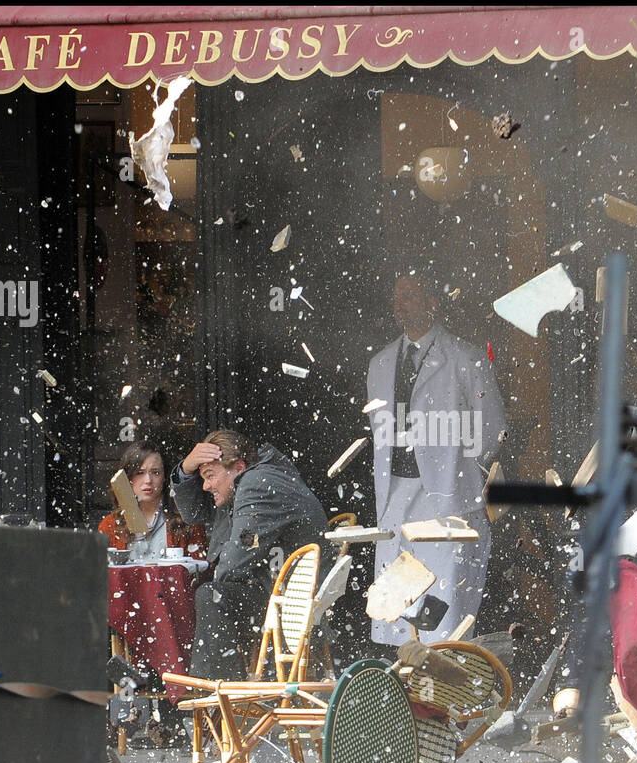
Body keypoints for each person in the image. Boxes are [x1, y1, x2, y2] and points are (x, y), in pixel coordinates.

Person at [366, 272, 506, 646]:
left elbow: (492, 430)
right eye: (397, 297)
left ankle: (444, 686)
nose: (401, 305)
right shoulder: (380, 364)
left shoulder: (465, 358)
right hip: (396, 492)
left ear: (433, 301)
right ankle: (407, 684)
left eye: (411, 295)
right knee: (398, 600)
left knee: (446, 600)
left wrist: (456, 467)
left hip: (448, 494)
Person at [171, 429, 331, 680]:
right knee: (211, 595)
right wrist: (185, 469)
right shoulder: (252, 478)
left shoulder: (258, 484)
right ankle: (220, 687)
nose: (206, 486)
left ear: (238, 466)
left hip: (293, 601)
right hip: (279, 589)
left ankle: (223, 692)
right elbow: (194, 514)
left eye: (210, 476)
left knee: (211, 596)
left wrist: (214, 587)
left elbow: (238, 560)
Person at [97, 439, 207, 562]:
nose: (148, 480)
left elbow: (201, 570)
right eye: (140, 472)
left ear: (165, 476)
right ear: (128, 478)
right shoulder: (110, 525)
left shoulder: (187, 520)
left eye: (155, 472)